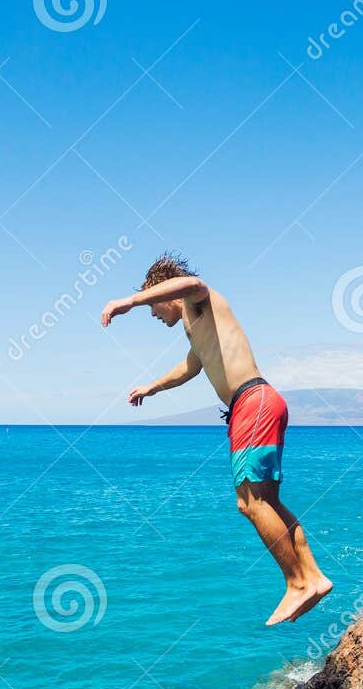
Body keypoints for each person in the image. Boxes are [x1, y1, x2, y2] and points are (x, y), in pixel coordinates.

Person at [101, 253, 333, 626]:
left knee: (250, 503)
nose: (152, 313)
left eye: (153, 304)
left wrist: (129, 301)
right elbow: (189, 367)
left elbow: (193, 283)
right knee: (267, 501)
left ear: (164, 291)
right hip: (257, 403)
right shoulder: (196, 326)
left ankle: (297, 583)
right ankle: (313, 576)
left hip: (253, 403)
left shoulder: (199, 301)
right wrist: (151, 388)